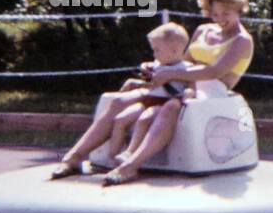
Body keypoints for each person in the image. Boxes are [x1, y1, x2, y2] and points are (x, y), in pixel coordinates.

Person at [101, 0, 255, 186]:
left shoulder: (242, 40)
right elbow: (183, 62)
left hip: (212, 90)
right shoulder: (203, 30)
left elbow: (214, 71)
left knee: (171, 106)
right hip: (184, 82)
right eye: (215, 13)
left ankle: (130, 166)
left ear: (238, 9)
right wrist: (155, 68)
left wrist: (174, 76)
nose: (219, 19)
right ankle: (85, 156)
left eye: (225, 14)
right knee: (126, 99)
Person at [49, 22, 194, 179]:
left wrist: (187, 93)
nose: (153, 54)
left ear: (174, 50)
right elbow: (150, 81)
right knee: (118, 105)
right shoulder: (158, 63)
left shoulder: (186, 68)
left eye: (156, 50)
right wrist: (144, 75)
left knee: (149, 116)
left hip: (168, 102)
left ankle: (129, 159)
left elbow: (192, 84)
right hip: (150, 98)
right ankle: (81, 157)